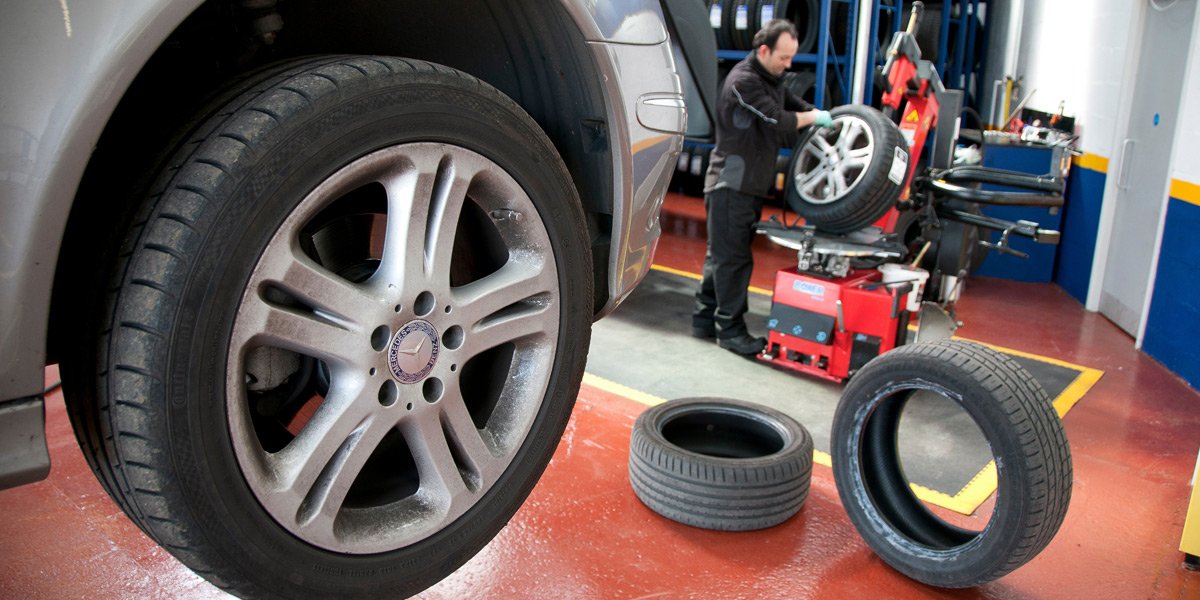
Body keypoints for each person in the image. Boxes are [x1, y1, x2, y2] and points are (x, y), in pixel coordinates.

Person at [693, 19, 835, 355]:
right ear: (763, 49)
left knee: (721, 255)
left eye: (791, 59)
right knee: (734, 260)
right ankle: (730, 331)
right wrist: (815, 119)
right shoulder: (744, 81)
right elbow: (778, 120)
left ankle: (703, 321)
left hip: (747, 185)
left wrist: (821, 113)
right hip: (731, 183)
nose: (788, 65)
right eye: (783, 58)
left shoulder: (771, 78)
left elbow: (793, 104)